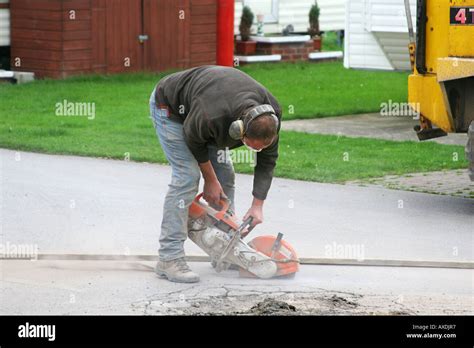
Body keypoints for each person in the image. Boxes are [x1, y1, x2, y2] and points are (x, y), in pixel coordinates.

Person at [149, 65, 281, 283]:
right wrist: (210, 180)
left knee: (225, 175)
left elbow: (267, 160)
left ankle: (225, 246)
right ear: (239, 131)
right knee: (187, 176)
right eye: (250, 146)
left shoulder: (271, 113)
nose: (256, 151)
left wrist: (257, 205)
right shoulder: (213, 114)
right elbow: (194, 139)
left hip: (207, 119)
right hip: (170, 109)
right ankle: (169, 258)